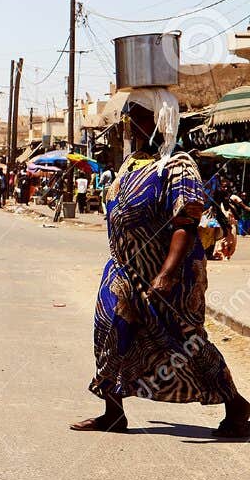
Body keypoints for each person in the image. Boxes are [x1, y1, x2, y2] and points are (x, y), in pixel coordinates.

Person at [78, 92, 250, 439]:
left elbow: (186, 222)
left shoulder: (177, 164)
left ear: (161, 120)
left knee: (184, 341)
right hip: (123, 269)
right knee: (110, 329)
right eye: (128, 116)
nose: (130, 123)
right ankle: (113, 411)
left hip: (168, 273)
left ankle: (236, 405)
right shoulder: (130, 165)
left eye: (139, 116)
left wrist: (167, 275)